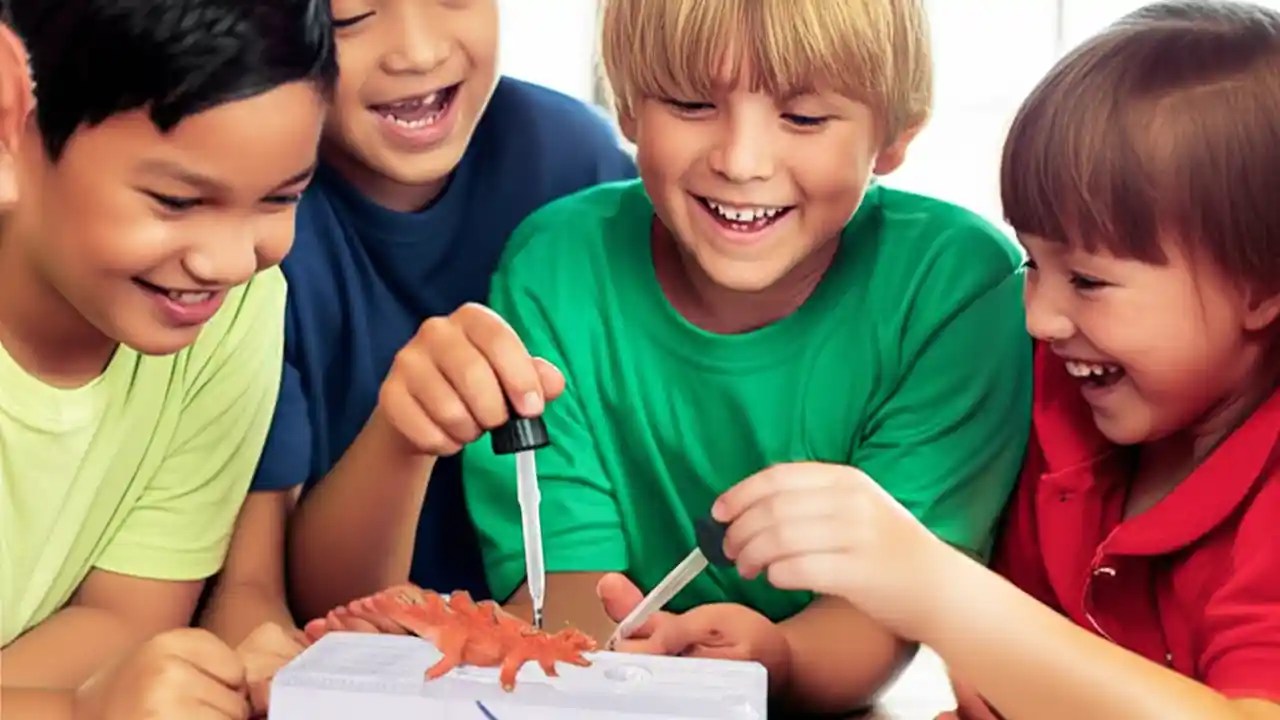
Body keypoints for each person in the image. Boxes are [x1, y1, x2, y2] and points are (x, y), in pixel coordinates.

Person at [301, 0, 1030, 713]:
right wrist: (614, 658)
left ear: (897, 134)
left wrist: (778, 663)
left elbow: (888, 612)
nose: (741, 162)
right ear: (627, 109)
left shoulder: (955, 289)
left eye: (804, 118)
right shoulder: (556, 267)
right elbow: (566, 585)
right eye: (689, 104)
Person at [705, 2, 1280, 719]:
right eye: (1034, 263)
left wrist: (936, 586)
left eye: (1090, 281)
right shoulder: (1059, 406)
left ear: (1262, 287)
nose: (1037, 316)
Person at [227, 0, 637, 628]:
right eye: (351, 16)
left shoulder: (581, 171)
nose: (417, 52)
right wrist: (401, 437)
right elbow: (301, 602)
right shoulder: (256, 234)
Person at [0, 0, 336, 717]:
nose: (227, 259)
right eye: (177, 201)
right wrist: (73, 712)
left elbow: (125, 617)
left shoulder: (237, 309)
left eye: (281, 197)